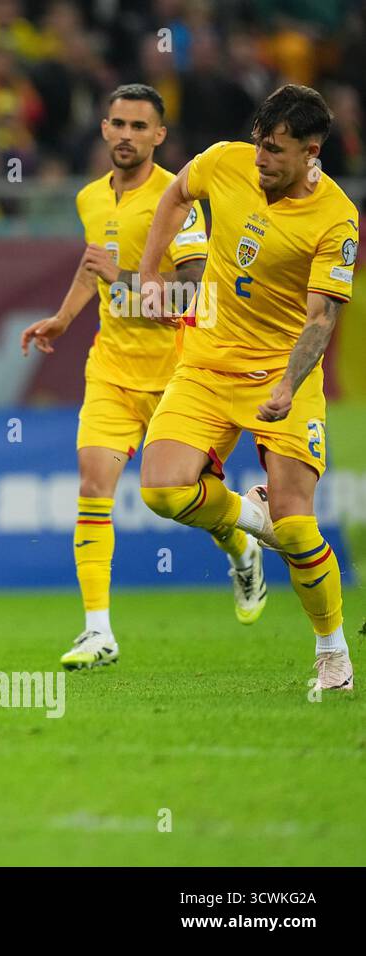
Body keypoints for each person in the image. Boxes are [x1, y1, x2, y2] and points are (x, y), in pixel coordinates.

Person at [20, 84, 261, 671]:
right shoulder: (88, 199)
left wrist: (122, 277)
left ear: (159, 136)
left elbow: (192, 291)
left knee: (180, 498)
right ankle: (97, 632)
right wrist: (63, 317)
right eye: (117, 123)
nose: (126, 135)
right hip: (111, 371)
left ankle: (241, 542)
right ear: (103, 129)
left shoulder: (177, 199)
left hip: (180, 375)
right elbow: (91, 268)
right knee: (93, 484)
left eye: (139, 126)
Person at [137, 84, 359, 691]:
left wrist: (289, 383)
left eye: (276, 150)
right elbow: (177, 193)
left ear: (311, 151)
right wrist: (151, 271)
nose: (260, 158)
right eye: (259, 143)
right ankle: (244, 520)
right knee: (160, 490)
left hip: (281, 377)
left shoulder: (336, 218)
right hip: (206, 364)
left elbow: (320, 318)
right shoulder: (226, 161)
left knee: (296, 526)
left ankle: (332, 656)